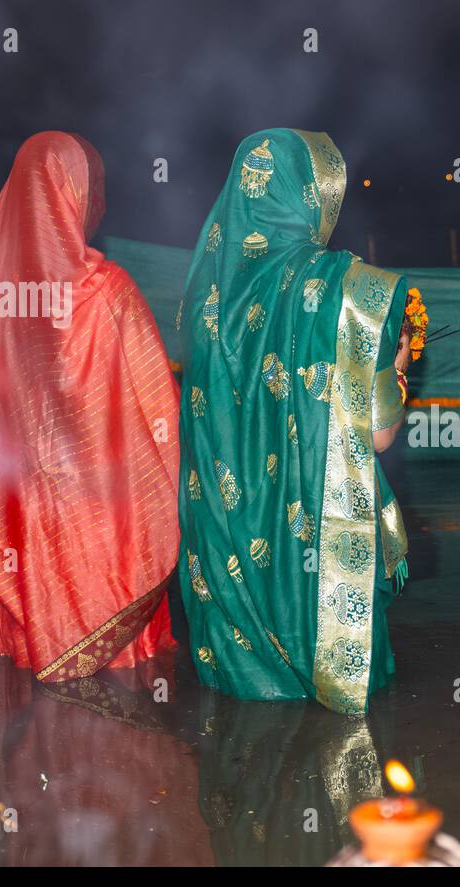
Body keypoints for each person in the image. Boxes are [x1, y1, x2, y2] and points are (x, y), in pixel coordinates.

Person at [177, 129, 413, 714]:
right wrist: (401, 368)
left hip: (225, 576)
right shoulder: (353, 291)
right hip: (318, 565)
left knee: (241, 735)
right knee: (345, 754)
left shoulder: (202, 295)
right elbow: (379, 434)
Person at [0, 132, 180, 681]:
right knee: (123, 687)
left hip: (24, 518)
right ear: (75, 193)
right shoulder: (106, 291)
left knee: (36, 686)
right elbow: (158, 412)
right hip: (104, 520)